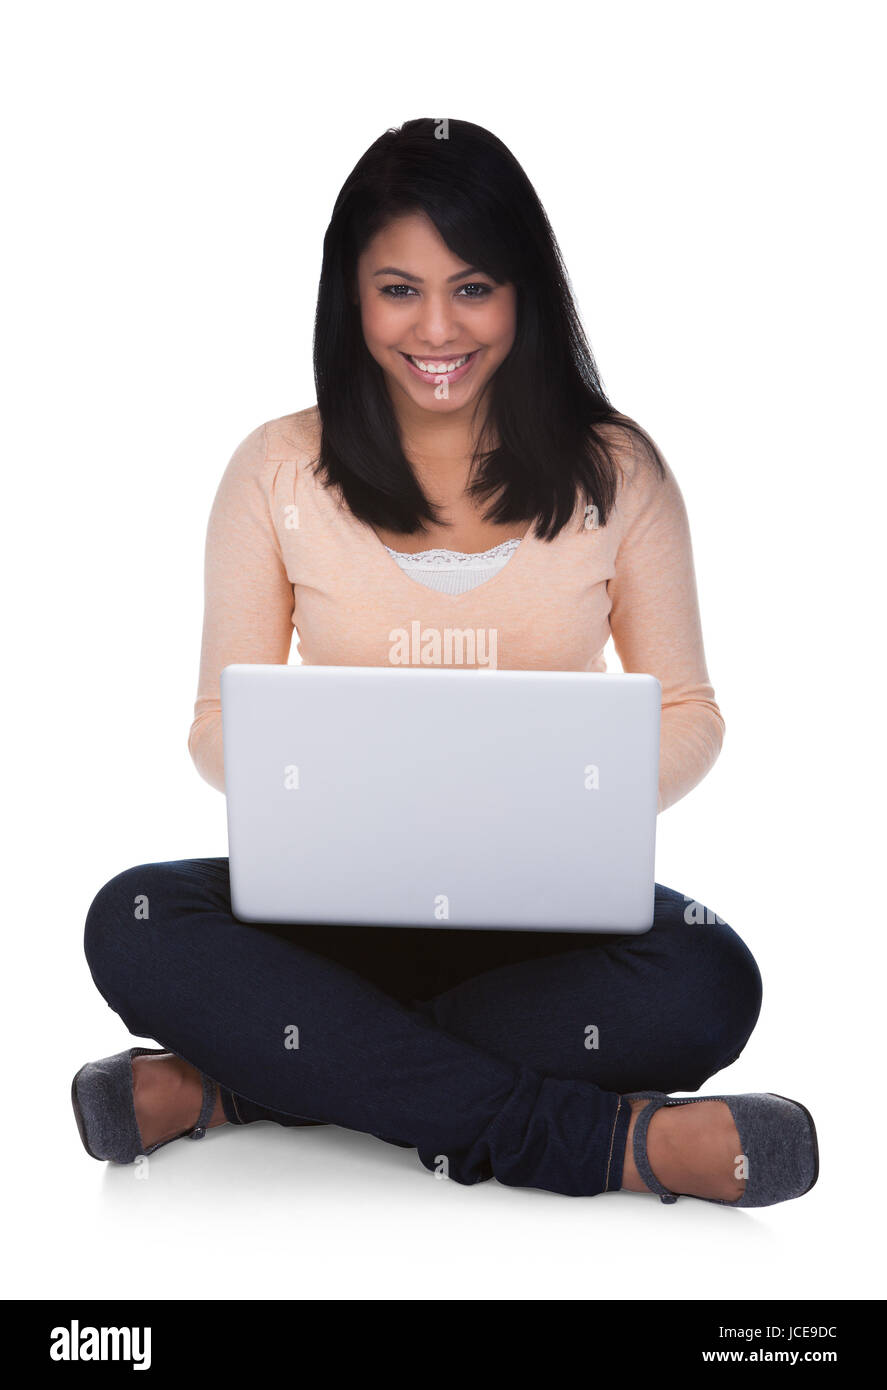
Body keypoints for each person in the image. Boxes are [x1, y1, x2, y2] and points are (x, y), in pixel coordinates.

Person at [72, 118, 817, 1206]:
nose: (435, 329)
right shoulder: (277, 467)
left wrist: (574, 806)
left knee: (707, 984)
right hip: (332, 916)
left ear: (523, 294)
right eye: (397, 290)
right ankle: (602, 1147)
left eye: (471, 289)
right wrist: (336, 794)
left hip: (541, 918)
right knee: (131, 918)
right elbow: (212, 723)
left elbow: (690, 708)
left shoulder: (619, 471)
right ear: (351, 298)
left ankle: (247, 1082)